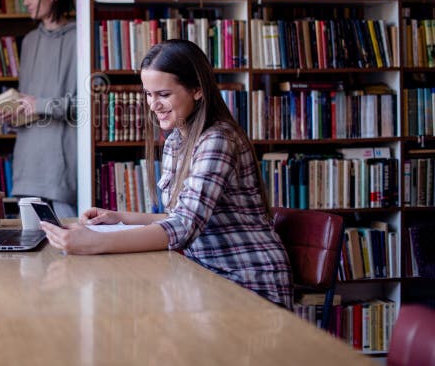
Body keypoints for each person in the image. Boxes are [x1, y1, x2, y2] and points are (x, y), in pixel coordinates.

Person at [41, 39, 293, 308]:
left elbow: (184, 227)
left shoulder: (218, 140)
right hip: (204, 274)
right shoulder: (176, 139)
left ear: (197, 89)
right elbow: (182, 216)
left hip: (247, 280)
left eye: (163, 94)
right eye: (148, 94)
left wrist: (96, 242)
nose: (153, 105)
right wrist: (121, 218)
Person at [0, 0, 77, 218]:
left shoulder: (79, 37)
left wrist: (39, 104)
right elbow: (26, 97)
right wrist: (13, 113)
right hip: (27, 156)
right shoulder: (29, 41)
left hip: (60, 158)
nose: (25, 2)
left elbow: (83, 104)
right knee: (29, 236)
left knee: (68, 234)